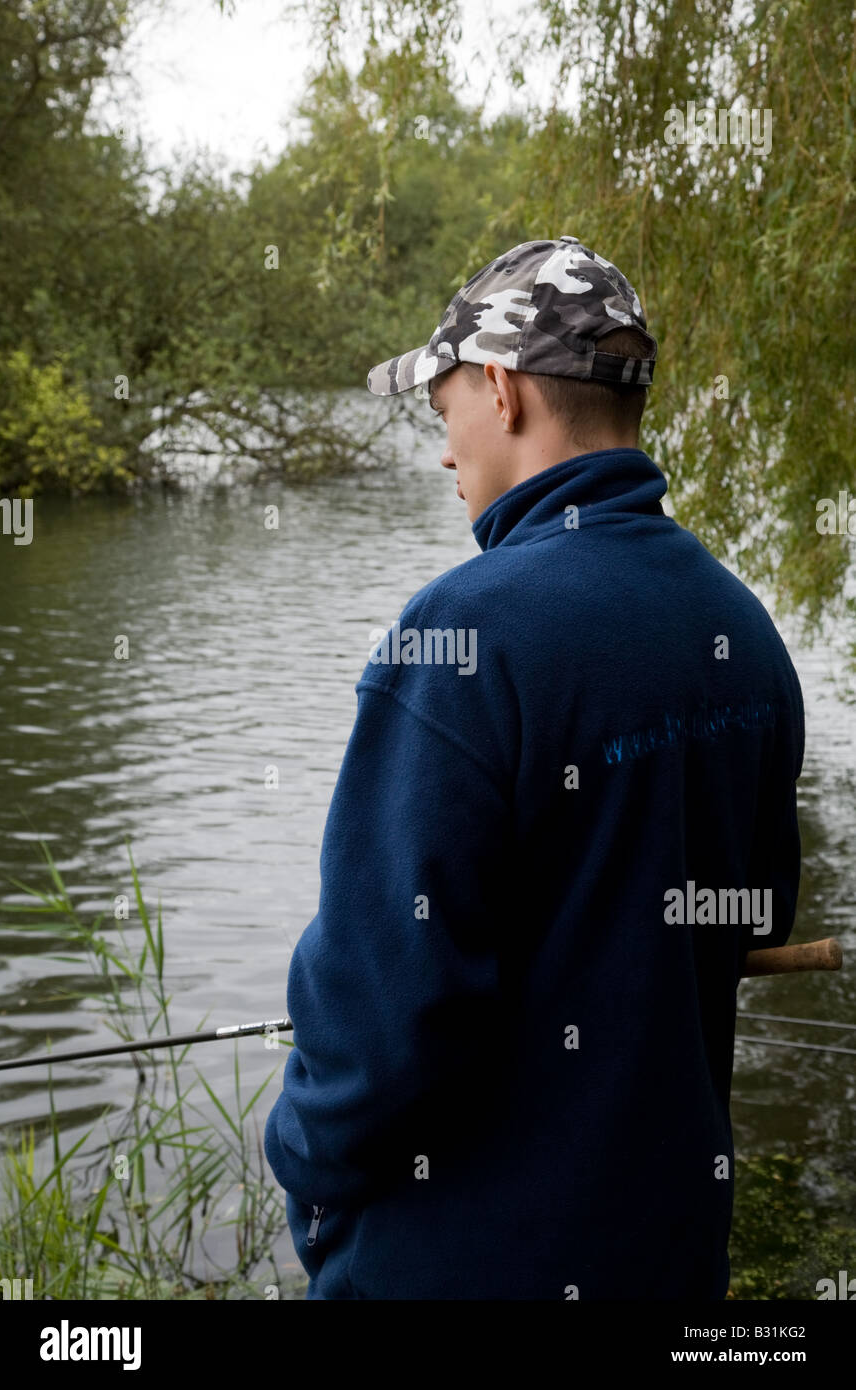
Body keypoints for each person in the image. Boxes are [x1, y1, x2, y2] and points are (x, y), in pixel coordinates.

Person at [263, 236, 804, 1300]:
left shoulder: (460, 639)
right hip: (666, 1259)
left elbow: (378, 1011)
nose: (442, 449)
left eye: (442, 407)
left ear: (501, 390)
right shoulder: (738, 627)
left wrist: (312, 1182)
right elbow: (753, 917)